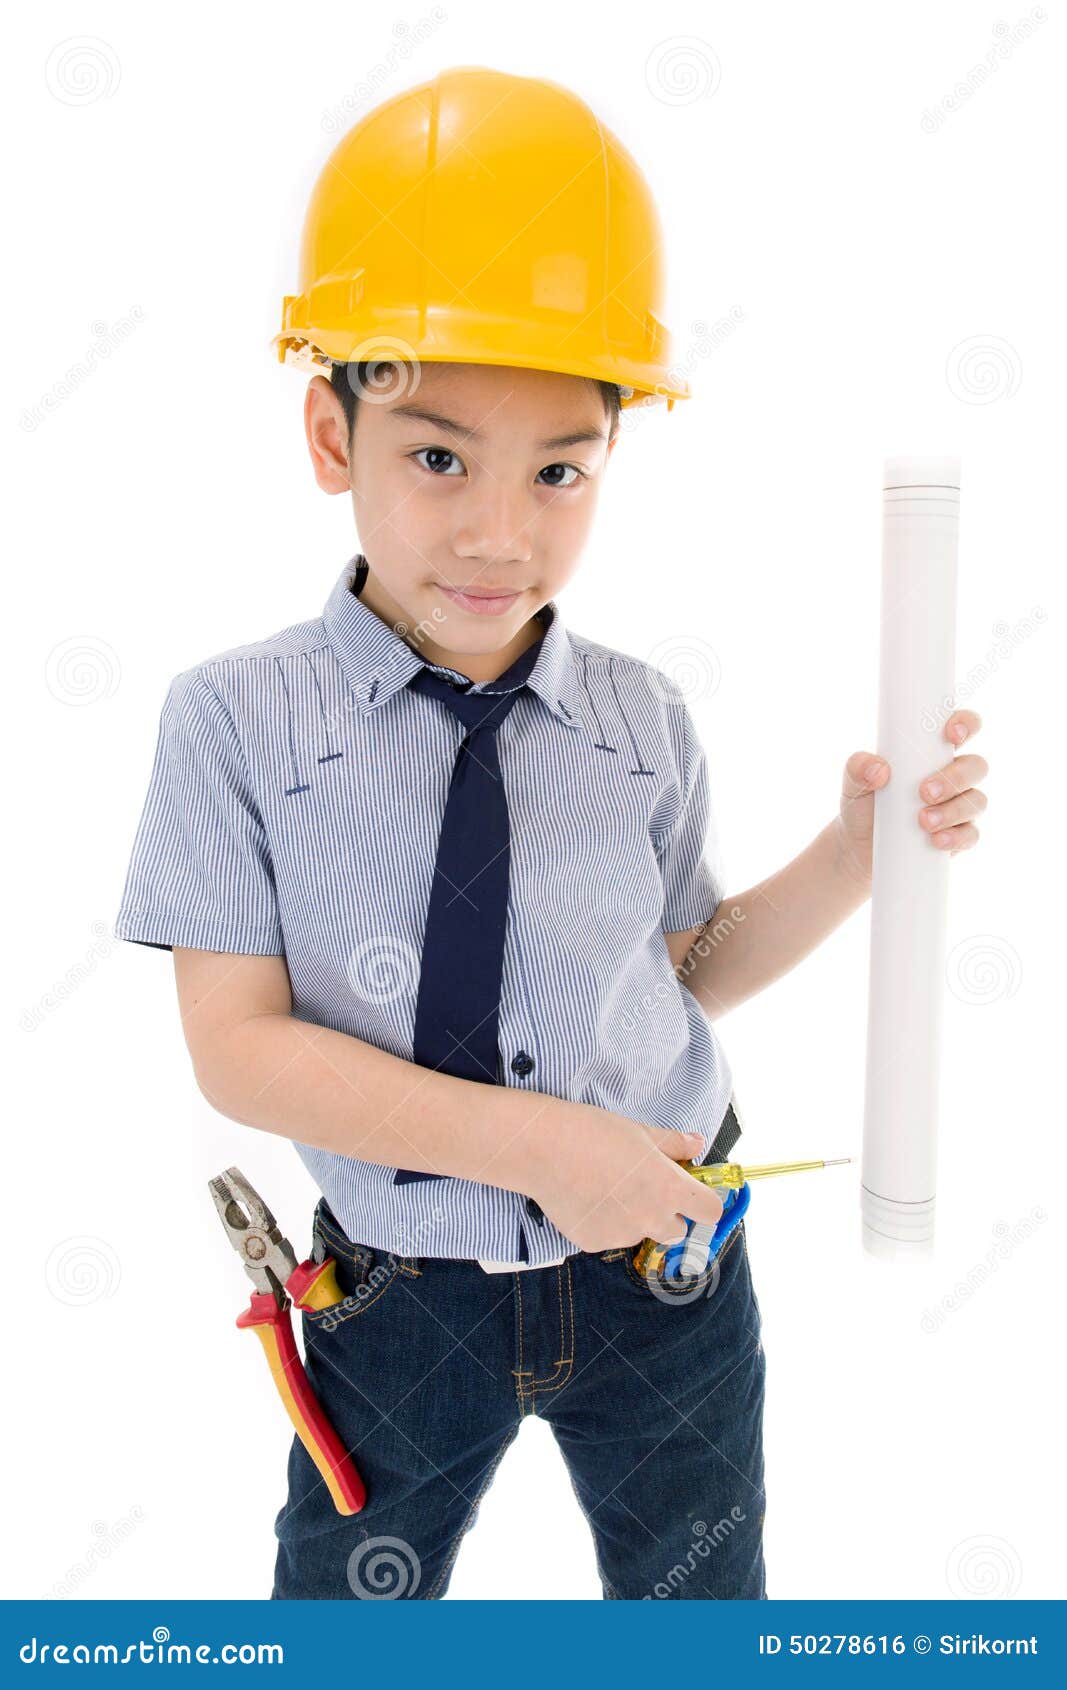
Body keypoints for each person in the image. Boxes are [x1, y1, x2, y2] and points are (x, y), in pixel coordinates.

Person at [113, 67, 989, 1600]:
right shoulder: (235, 722)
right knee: (342, 1617)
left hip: (667, 1267)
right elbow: (239, 1048)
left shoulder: (639, 721)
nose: (499, 532)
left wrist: (855, 855)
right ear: (333, 430)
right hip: (401, 1296)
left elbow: (675, 973)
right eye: (438, 455)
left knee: (699, 1611)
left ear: (611, 455)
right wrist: (540, 1148)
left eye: (560, 469)